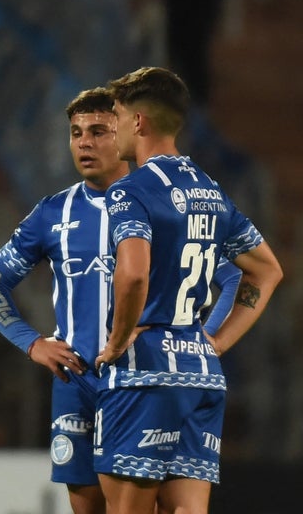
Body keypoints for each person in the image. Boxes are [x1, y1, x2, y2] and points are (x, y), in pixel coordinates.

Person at [0, 87, 241, 514]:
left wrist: (206, 339)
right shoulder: (52, 213)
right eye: (76, 132)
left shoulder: (162, 203)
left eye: (98, 131)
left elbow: (232, 277)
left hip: (144, 377)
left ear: (126, 132)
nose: (84, 142)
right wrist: (32, 342)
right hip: (78, 383)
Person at [93, 66, 283, 514]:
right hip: (200, 373)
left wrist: (118, 341)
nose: (113, 128)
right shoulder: (211, 192)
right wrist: (214, 342)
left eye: (116, 116)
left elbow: (134, 273)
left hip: (147, 372)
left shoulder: (130, 191)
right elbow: (266, 272)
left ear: (138, 122)